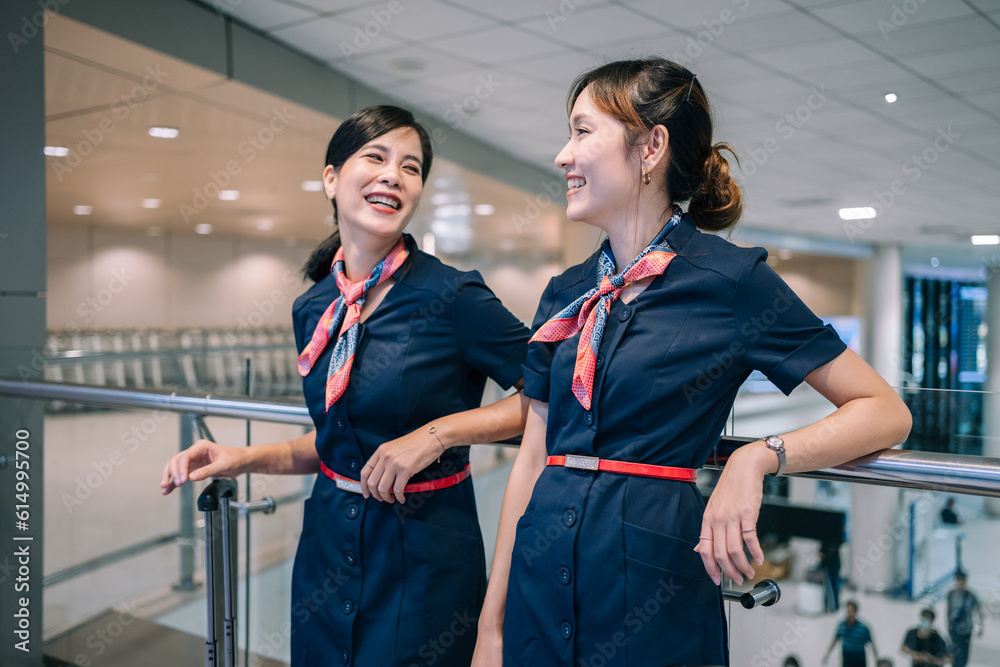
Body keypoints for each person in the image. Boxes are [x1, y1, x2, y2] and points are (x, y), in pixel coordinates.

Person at [471, 57, 912, 666]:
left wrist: (761, 457)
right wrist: (491, 627)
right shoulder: (565, 292)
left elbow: (884, 410)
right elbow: (530, 460)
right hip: (538, 590)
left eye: (581, 131)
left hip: (650, 595)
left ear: (650, 146)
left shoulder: (730, 282)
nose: (562, 156)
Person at [161, 105, 531, 666]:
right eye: (376, 157)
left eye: (410, 167)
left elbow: (552, 396)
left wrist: (437, 434)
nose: (393, 175)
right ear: (332, 179)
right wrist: (242, 457)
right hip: (327, 547)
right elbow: (338, 443)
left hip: (425, 553)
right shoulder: (314, 309)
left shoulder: (453, 297)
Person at [823, 600, 879, 667]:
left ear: (855, 612)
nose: (848, 614)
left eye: (850, 611)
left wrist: (877, 660)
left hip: (859, 656)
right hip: (847, 656)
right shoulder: (842, 625)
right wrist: (827, 655)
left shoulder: (863, 628)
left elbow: (871, 644)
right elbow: (835, 640)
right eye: (847, 611)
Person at [946, 572, 982, 667]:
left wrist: (981, 626)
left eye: (962, 580)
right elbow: (948, 610)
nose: (960, 583)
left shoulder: (970, 595)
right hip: (955, 627)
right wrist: (948, 625)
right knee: (955, 651)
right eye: (959, 580)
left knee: (965, 650)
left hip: (967, 627)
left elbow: (978, 610)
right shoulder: (952, 594)